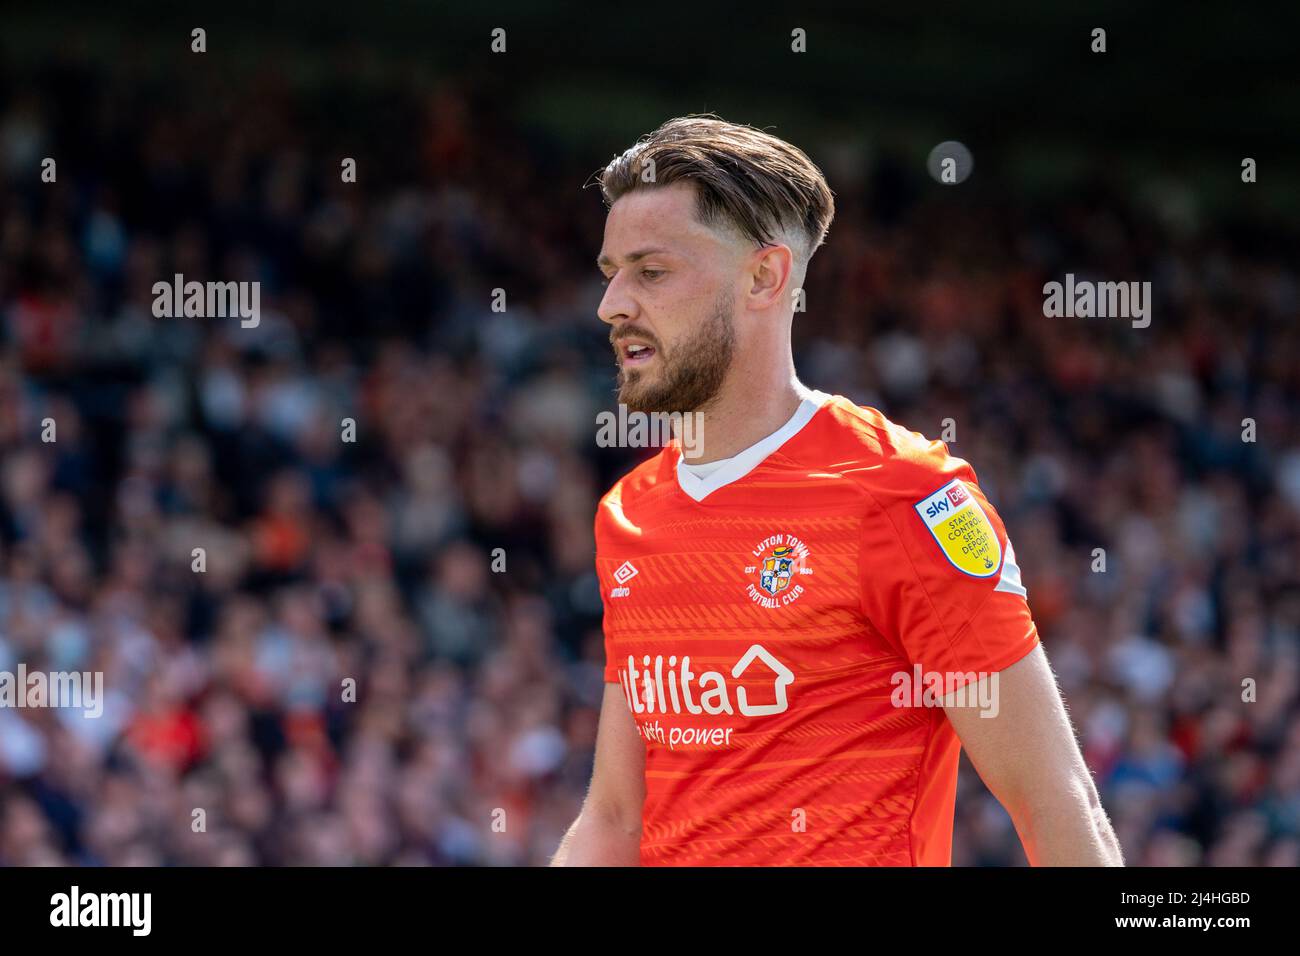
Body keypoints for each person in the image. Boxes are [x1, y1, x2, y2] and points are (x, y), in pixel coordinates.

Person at [551, 115, 1123, 866]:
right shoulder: (628, 514)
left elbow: (1054, 801)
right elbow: (617, 817)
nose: (613, 304)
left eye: (650, 272)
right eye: (610, 273)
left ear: (765, 276)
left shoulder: (906, 495)